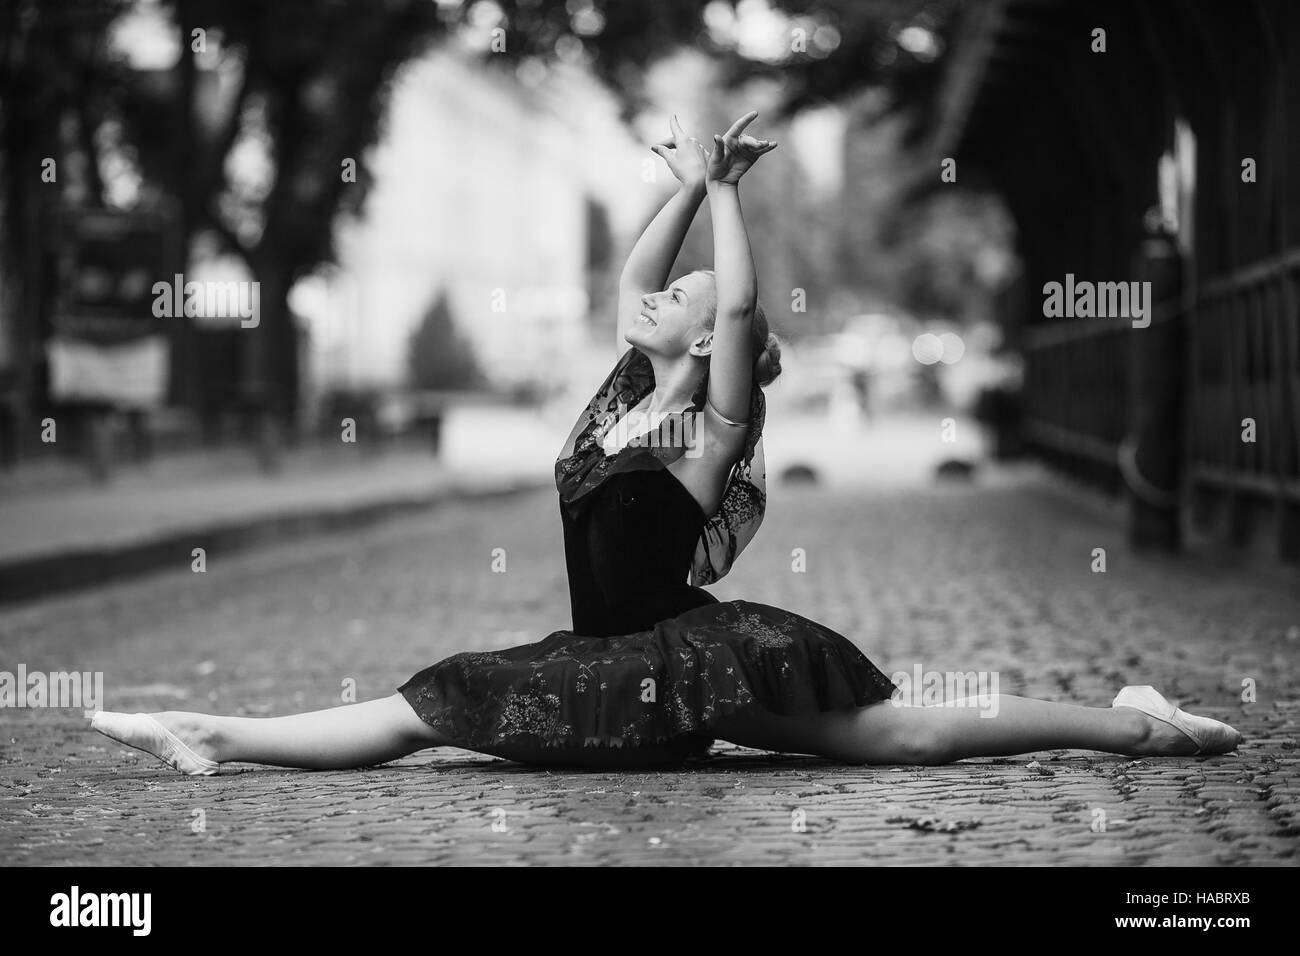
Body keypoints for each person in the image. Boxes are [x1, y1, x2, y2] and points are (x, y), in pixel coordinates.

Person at [91, 112, 1240, 776]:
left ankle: (1138, 726)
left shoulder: (709, 429)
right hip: (611, 658)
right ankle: (211, 733)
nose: (658, 295)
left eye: (680, 298)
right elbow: (640, 281)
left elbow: (731, 307)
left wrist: (729, 197)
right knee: (432, 698)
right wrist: (688, 187)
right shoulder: (622, 399)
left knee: (909, 732)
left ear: (703, 336)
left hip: (696, 659)